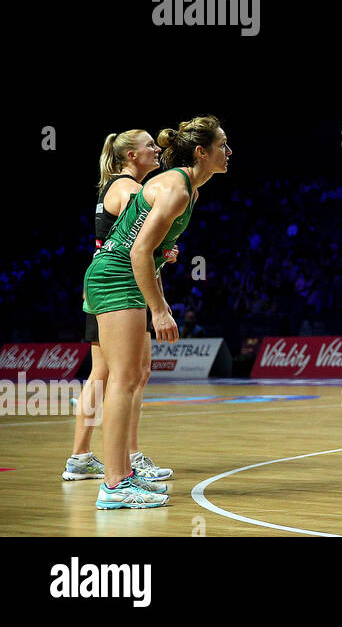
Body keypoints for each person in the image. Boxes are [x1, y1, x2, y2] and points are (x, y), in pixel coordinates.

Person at [82, 115, 231, 509]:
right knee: (123, 379)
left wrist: (158, 297)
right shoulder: (177, 190)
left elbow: (153, 255)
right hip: (114, 278)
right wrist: (160, 310)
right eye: (223, 146)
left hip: (123, 277)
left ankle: (123, 473)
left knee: (129, 377)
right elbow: (137, 251)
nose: (229, 152)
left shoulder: (190, 191)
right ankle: (113, 485)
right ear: (202, 152)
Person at [63, 131, 176, 485]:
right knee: (125, 376)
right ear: (130, 155)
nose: (156, 150)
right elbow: (144, 231)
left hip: (114, 288)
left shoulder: (115, 186)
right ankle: (125, 459)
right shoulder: (126, 188)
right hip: (118, 289)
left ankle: (83, 457)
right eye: (149, 146)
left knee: (112, 375)